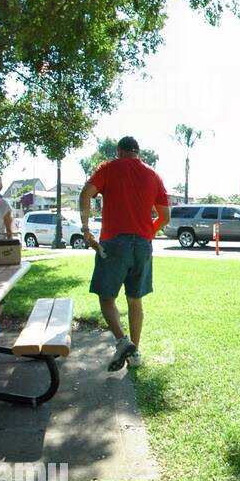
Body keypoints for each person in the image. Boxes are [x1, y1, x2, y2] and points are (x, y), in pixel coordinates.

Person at [80, 134, 170, 370]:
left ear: (119, 151)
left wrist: (86, 228)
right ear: (137, 152)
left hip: (114, 243)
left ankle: (122, 341)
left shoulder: (108, 168)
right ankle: (135, 354)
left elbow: (85, 194)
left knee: (106, 297)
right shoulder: (153, 175)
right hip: (142, 245)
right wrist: (147, 232)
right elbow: (165, 216)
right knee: (134, 299)